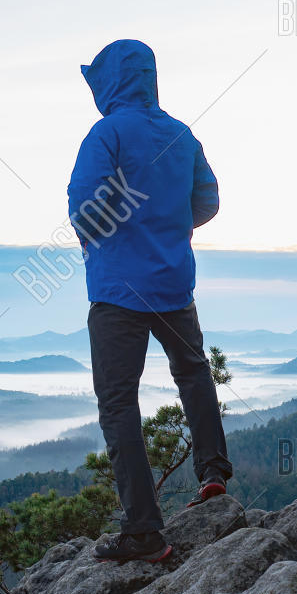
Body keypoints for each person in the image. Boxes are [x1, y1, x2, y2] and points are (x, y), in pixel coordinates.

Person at [67, 39, 232, 564]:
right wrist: (170, 229)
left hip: (118, 291)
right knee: (192, 370)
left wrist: (105, 239)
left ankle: (143, 532)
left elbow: (85, 208)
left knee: (119, 403)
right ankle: (214, 472)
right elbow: (207, 201)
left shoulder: (107, 133)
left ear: (111, 80)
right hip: (173, 283)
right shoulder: (182, 134)